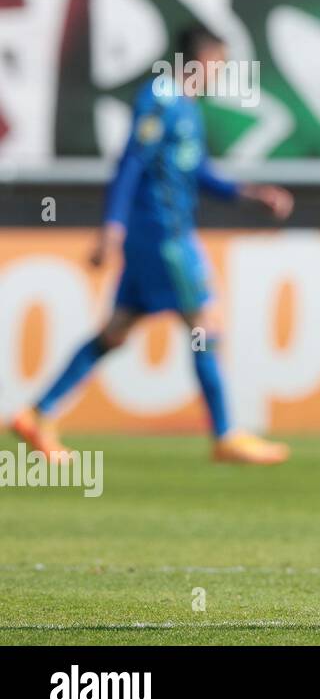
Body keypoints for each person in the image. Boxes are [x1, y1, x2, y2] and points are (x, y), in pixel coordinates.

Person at [9, 27, 296, 465]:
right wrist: (112, 228)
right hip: (163, 235)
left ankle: (37, 413)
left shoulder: (187, 109)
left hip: (157, 236)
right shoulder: (161, 96)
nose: (221, 74)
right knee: (203, 324)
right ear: (202, 60)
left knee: (116, 331)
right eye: (219, 64)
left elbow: (196, 172)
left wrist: (249, 194)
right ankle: (225, 433)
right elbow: (130, 161)